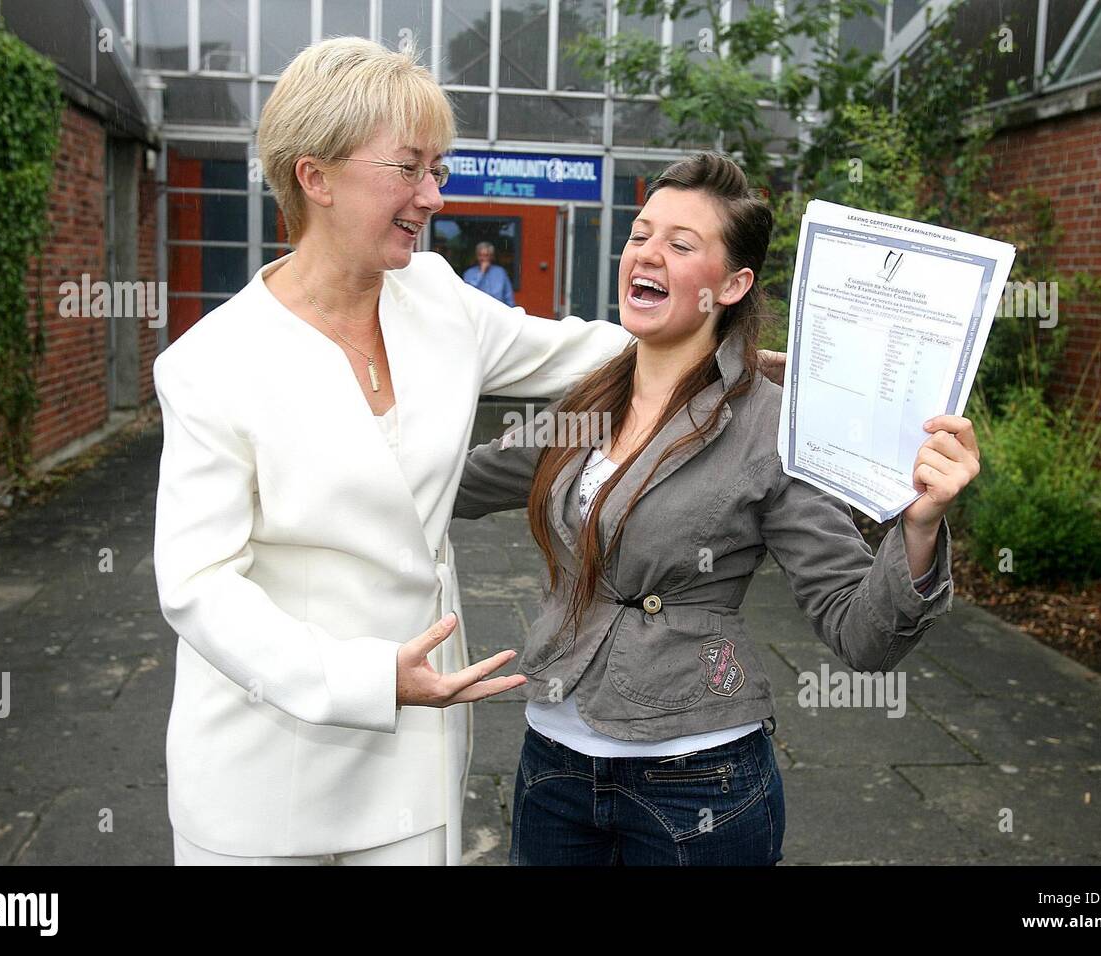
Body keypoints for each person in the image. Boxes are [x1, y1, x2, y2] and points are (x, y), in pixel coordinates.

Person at [152, 37, 790, 866]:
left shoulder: (434, 296)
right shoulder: (210, 365)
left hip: (415, 758)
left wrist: (737, 358)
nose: (431, 194)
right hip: (264, 765)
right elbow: (198, 585)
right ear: (315, 177)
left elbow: (587, 350)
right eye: (409, 168)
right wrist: (369, 679)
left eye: (438, 170)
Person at [453, 152, 980, 865]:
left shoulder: (771, 428)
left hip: (696, 785)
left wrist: (918, 529)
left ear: (733, 284)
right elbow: (455, 481)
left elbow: (864, 637)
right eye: (641, 234)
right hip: (553, 762)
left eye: (681, 244)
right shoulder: (586, 401)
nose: (647, 253)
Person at [462, 241, 515, 306]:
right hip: (477, 310)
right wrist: (481, 273)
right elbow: (467, 292)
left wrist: (511, 310)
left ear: (491, 257)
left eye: (486, 255)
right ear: (476, 256)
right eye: (480, 255)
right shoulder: (469, 273)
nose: (483, 258)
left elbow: (508, 295)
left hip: (498, 310)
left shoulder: (500, 272)